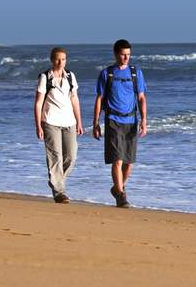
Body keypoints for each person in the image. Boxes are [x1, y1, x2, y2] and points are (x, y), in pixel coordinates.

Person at [93, 38, 147, 208]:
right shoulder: (107, 73)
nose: (126, 58)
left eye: (128, 55)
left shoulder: (135, 73)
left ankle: (118, 188)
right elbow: (99, 99)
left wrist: (144, 120)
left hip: (131, 120)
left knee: (128, 162)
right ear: (116, 54)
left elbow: (141, 98)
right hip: (113, 120)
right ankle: (121, 196)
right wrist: (95, 123)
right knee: (117, 160)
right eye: (123, 55)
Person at [33, 46, 83, 203]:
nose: (61, 62)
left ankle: (55, 180)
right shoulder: (45, 77)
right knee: (56, 157)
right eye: (57, 59)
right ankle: (59, 192)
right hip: (50, 121)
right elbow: (38, 103)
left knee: (71, 156)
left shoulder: (70, 76)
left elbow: (74, 99)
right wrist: (38, 126)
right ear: (52, 60)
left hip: (69, 122)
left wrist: (79, 122)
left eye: (63, 59)